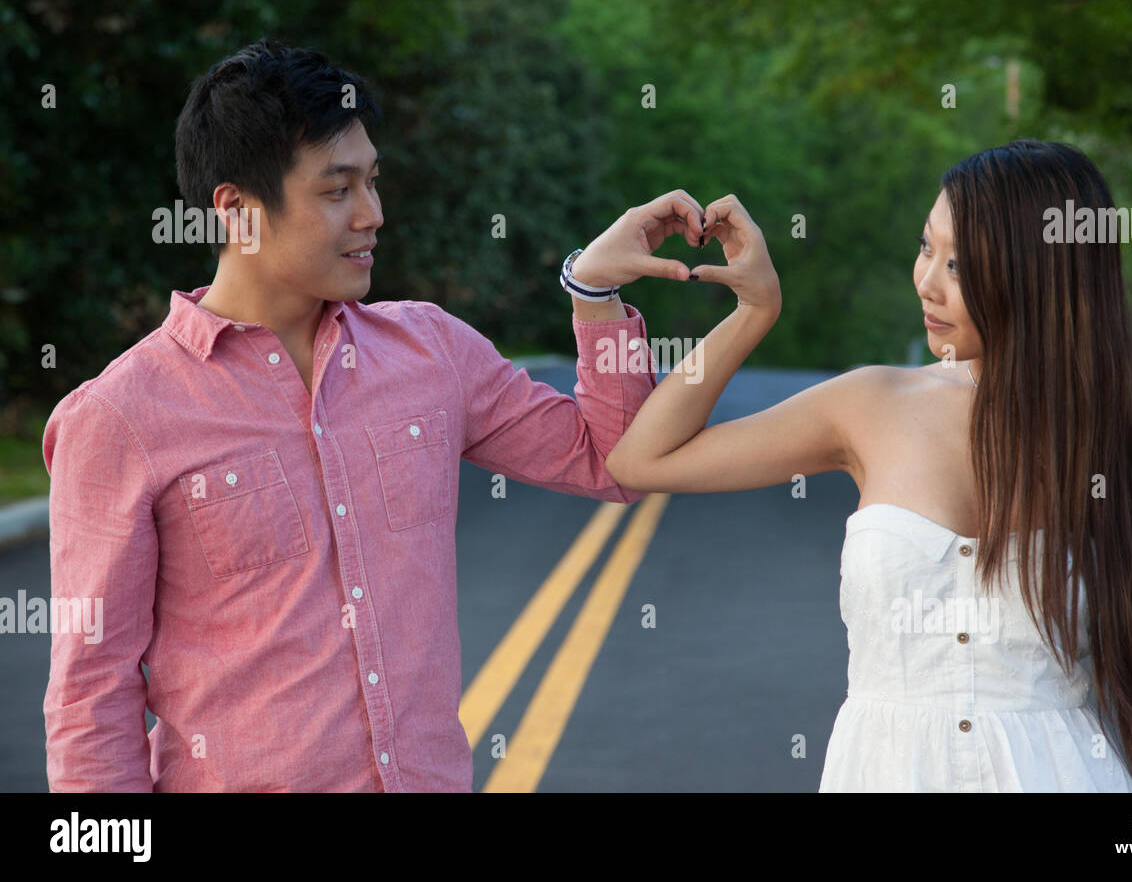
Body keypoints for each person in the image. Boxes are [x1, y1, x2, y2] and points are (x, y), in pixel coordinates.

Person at [41, 38, 706, 791]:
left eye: (373, 183)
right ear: (238, 211)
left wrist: (594, 291)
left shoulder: (432, 351)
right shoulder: (121, 417)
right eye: (338, 191)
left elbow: (611, 461)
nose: (373, 215)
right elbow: (90, 696)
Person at [605, 141, 1132, 792]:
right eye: (926, 246)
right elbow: (643, 456)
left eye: (959, 263)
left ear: (1039, 275)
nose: (927, 282)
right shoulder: (872, 404)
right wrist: (754, 313)